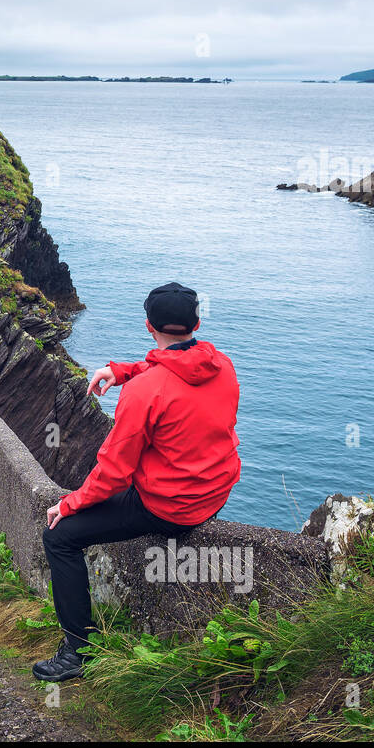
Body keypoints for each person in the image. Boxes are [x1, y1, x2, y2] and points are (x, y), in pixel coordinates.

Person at [32, 282, 241, 682]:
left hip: (172, 508)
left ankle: (77, 651)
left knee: (59, 537)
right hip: (216, 490)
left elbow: (113, 474)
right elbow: (175, 367)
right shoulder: (223, 365)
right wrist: (122, 371)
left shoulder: (145, 392)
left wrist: (69, 505)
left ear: (149, 326)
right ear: (196, 323)